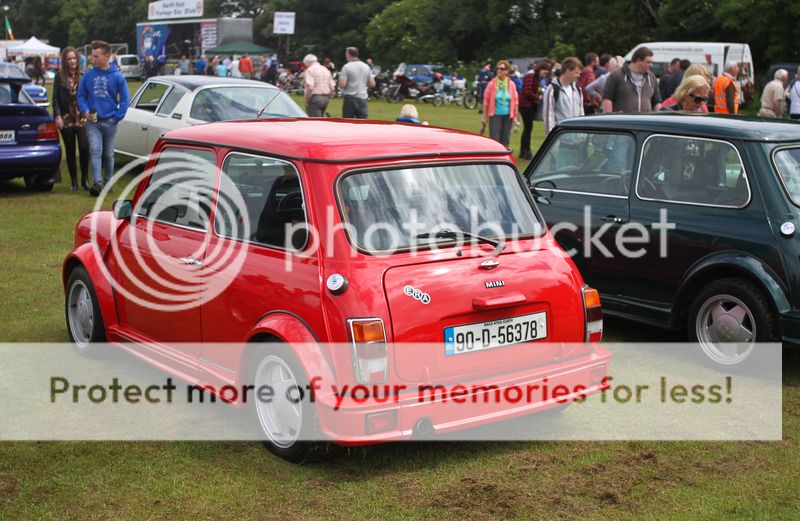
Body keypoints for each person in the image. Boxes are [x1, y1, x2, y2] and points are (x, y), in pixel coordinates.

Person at [77, 40, 129, 193]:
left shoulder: (117, 77)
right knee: (95, 150)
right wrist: (85, 110)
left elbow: (125, 99)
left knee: (108, 154)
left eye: (96, 56)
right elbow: (81, 95)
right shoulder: (88, 75)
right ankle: (97, 183)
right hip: (93, 122)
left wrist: (117, 117)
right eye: (92, 56)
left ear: (106, 56)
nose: (92, 59)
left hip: (110, 122)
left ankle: (108, 182)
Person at [52, 46, 90, 191]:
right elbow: (55, 99)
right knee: (70, 149)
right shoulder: (59, 76)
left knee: (84, 147)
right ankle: (74, 181)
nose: (72, 61)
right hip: (66, 118)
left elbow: (88, 96)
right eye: (69, 59)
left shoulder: (83, 76)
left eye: (74, 58)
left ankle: (85, 179)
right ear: (65, 61)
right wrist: (57, 116)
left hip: (81, 117)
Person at [602, 46, 662, 113]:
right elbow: (607, 99)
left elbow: (657, 101)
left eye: (651, 62)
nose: (651, 65)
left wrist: (658, 115)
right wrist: (609, 117)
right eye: (648, 62)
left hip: (645, 119)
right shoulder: (616, 75)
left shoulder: (651, 77)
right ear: (638, 61)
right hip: (622, 119)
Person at [481, 60, 519, 147]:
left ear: (507, 71)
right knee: (495, 140)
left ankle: (504, 155)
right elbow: (486, 102)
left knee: (505, 140)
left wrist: (515, 117)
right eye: (498, 68)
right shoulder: (492, 84)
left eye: (502, 69)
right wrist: (484, 117)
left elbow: (515, 102)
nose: (499, 70)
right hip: (495, 115)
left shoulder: (511, 84)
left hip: (508, 115)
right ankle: (495, 155)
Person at [543, 57, 584, 134]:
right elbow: (548, 116)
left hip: (577, 136)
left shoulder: (578, 89)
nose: (578, 76)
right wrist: (552, 136)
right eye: (576, 73)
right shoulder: (552, 89)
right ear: (568, 71)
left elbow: (581, 112)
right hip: (561, 136)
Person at [339, 47, 374, 119]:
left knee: (348, 122)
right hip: (362, 98)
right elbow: (372, 84)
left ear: (349, 54)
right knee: (362, 122)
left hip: (350, 98)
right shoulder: (366, 66)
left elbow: (342, 85)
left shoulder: (346, 67)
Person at [518, 63, 540, 160]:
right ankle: (525, 151)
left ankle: (524, 151)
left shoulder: (533, 76)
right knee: (527, 129)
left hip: (527, 105)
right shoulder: (531, 76)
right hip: (525, 106)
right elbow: (527, 92)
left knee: (527, 129)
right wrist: (537, 97)